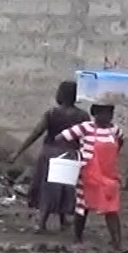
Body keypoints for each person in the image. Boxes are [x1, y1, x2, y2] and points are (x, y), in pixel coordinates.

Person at [15, 80, 90, 233]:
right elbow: (87, 138)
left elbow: (36, 133)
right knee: (65, 187)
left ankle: (41, 223)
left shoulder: (52, 113)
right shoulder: (83, 116)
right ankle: (62, 220)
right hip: (70, 154)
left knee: (48, 188)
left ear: (60, 94)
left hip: (50, 154)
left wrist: (18, 152)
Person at [60, 95, 127, 251]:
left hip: (108, 175)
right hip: (87, 174)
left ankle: (118, 244)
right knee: (83, 207)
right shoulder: (85, 128)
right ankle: (77, 238)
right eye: (103, 114)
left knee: (111, 208)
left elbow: (120, 141)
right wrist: (78, 152)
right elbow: (61, 137)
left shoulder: (114, 130)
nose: (107, 117)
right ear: (95, 113)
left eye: (110, 114)